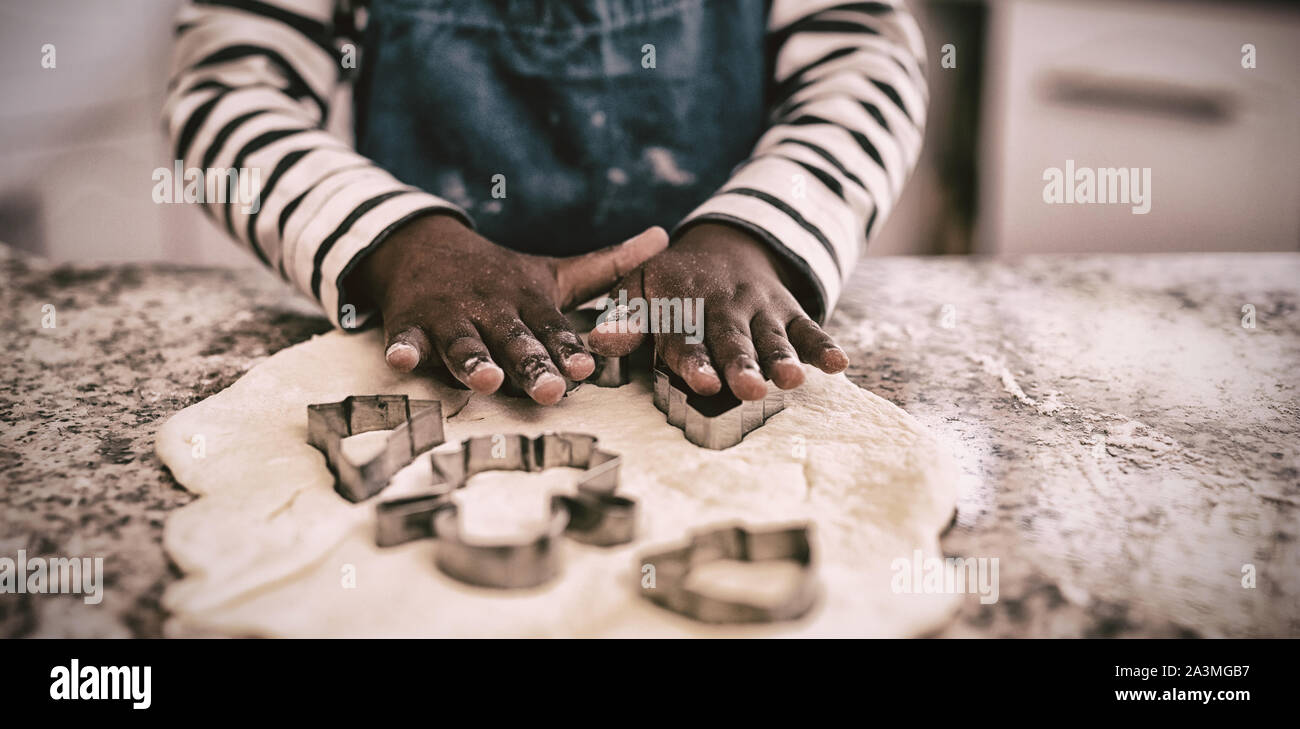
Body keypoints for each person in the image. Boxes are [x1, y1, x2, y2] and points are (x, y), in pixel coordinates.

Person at [164, 0, 927, 404]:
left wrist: (757, 232)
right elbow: (226, 92)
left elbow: (866, 61)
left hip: (726, 330)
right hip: (433, 338)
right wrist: (396, 239)